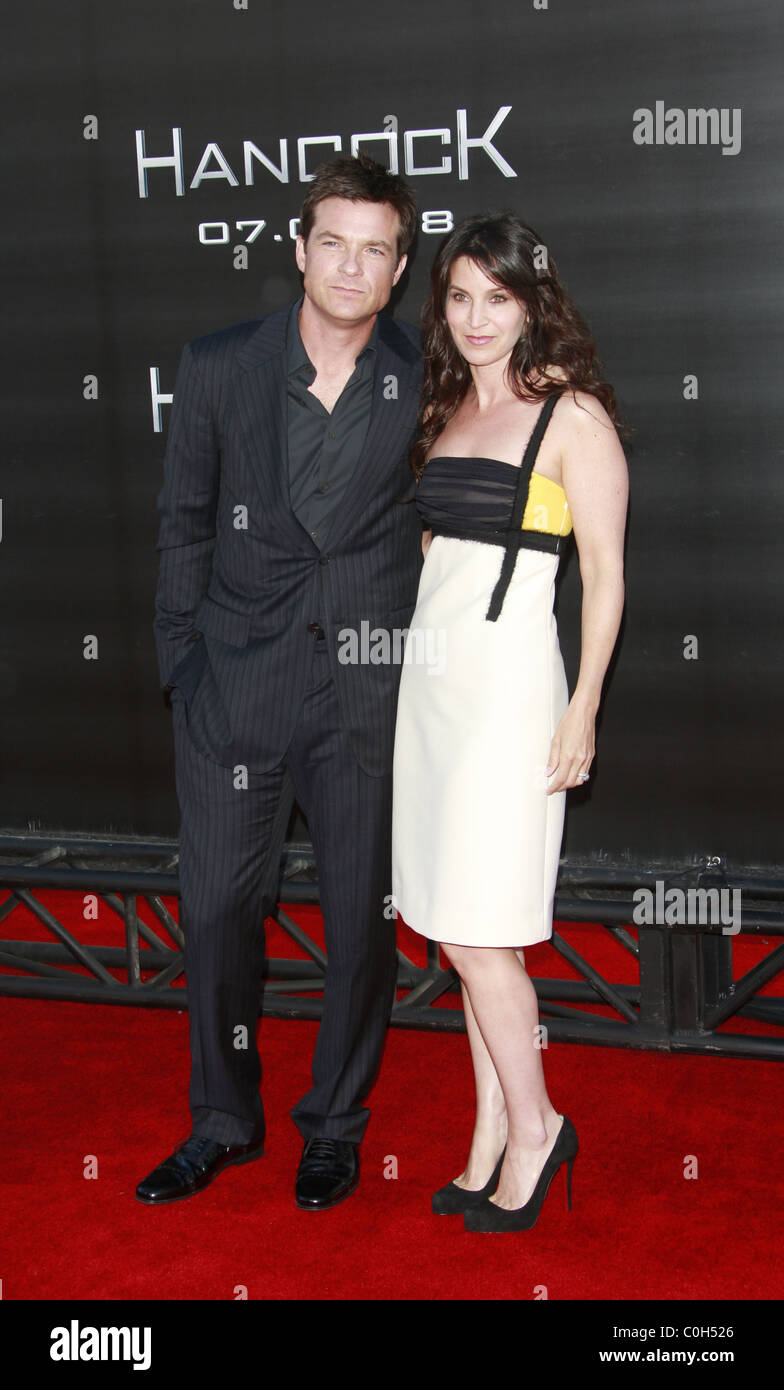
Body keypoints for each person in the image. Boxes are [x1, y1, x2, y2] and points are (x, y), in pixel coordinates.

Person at [137, 154, 423, 1211]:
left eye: (376, 249)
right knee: (215, 912)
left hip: (362, 699)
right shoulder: (218, 367)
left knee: (358, 926)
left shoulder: (425, 378)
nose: (352, 265)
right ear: (299, 251)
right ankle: (223, 1119)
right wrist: (184, 669)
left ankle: (334, 1127)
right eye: (333, 242)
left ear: (398, 270)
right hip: (234, 692)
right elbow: (184, 527)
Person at [391, 213, 628, 1232]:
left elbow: (608, 576)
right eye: (458, 297)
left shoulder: (569, 416)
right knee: (452, 928)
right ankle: (489, 1133)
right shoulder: (444, 410)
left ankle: (537, 1129)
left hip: (509, 697)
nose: (477, 317)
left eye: (497, 296)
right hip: (432, 694)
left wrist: (583, 706)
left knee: (486, 938)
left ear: (530, 302)